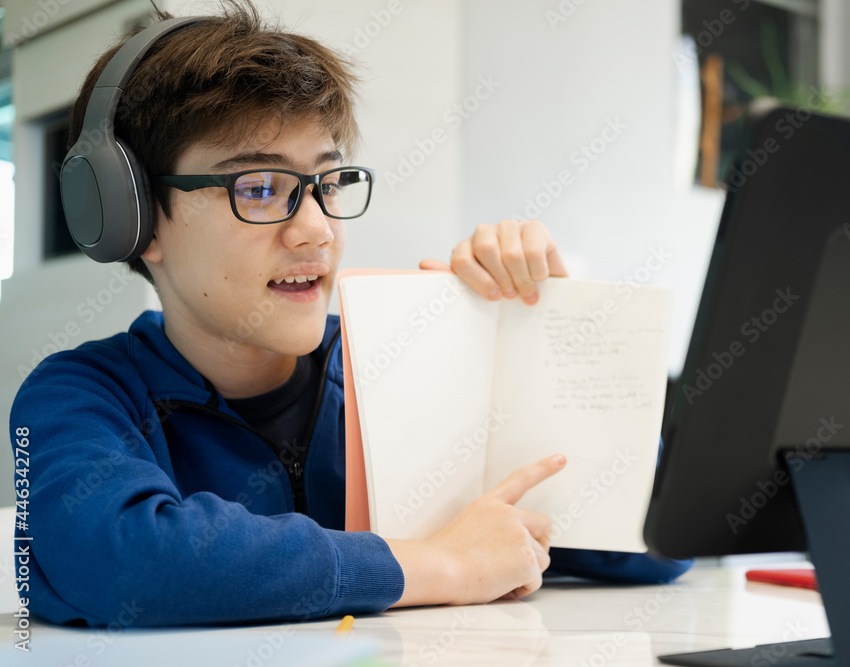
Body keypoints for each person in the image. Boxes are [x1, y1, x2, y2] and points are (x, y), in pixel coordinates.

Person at [9, 1, 691, 627]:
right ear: (133, 219)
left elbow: (662, 538)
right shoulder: (74, 398)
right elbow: (128, 562)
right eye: (261, 187)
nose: (317, 229)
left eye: (328, 183)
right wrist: (441, 563)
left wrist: (534, 346)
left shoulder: (403, 363)